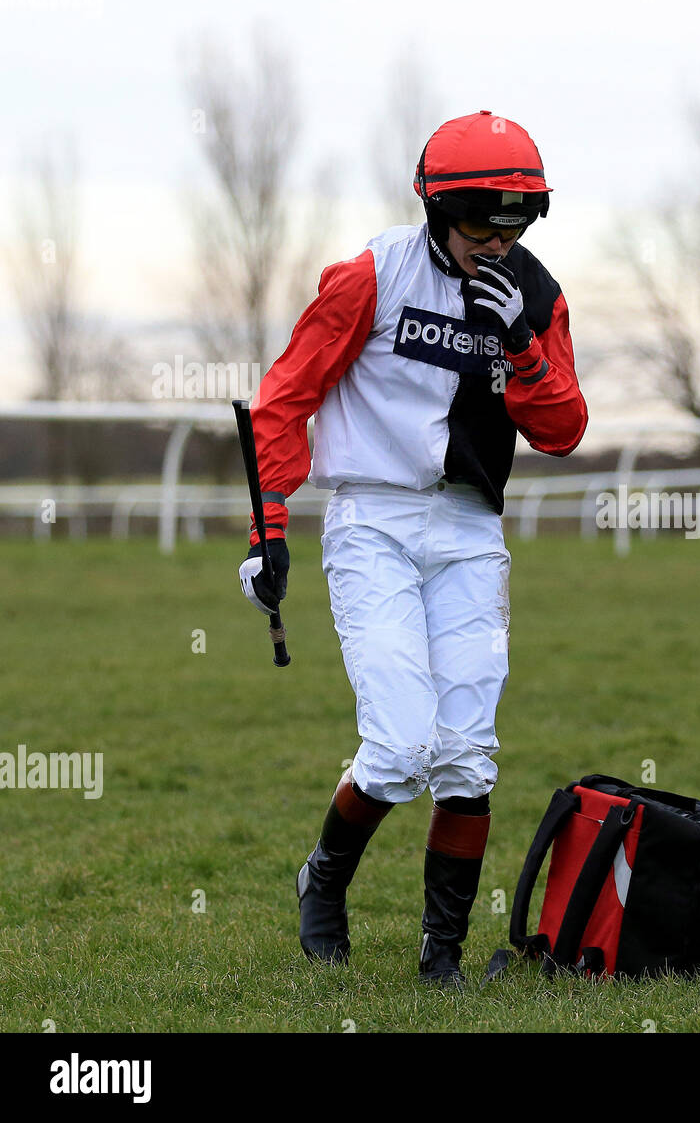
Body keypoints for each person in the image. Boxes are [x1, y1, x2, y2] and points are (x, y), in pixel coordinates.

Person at [237, 110, 588, 989]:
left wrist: (521, 350)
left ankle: (443, 960)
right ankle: (323, 878)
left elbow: (565, 430)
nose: (498, 245)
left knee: (468, 751)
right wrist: (268, 527)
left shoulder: (535, 297)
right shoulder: (370, 276)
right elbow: (284, 398)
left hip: (469, 528)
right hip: (373, 521)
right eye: (481, 227)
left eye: (516, 227)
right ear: (437, 210)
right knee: (397, 746)